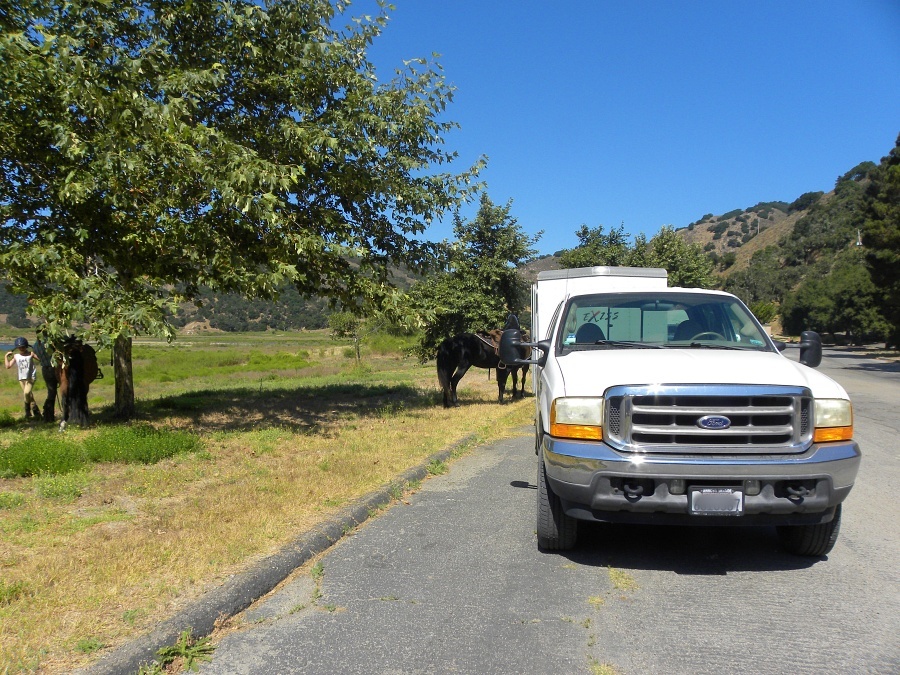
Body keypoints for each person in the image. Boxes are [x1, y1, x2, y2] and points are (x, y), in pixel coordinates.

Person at [5, 337, 41, 419]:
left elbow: (40, 359)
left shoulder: (30, 354)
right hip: (21, 378)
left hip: (31, 377)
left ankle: (27, 411)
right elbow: (8, 366)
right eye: (19, 347)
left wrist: (37, 352)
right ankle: (36, 413)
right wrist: (6, 356)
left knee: (26, 393)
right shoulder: (16, 356)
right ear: (17, 348)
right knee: (30, 396)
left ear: (26, 346)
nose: (21, 349)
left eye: (23, 347)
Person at [32, 337, 58, 422]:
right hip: (54, 368)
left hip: (45, 369)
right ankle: (48, 414)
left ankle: (48, 415)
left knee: (51, 392)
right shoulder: (49, 343)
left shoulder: (35, 345)